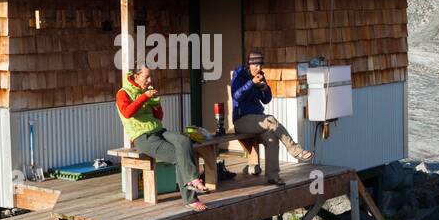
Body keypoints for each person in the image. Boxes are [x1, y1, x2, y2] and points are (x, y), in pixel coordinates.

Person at [116, 67, 208, 211]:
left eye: (150, 77)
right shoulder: (123, 93)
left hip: (159, 130)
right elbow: (127, 113)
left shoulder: (145, 91)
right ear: (135, 76)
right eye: (146, 77)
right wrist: (144, 97)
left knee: (184, 140)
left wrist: (156, 104)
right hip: (143, 137)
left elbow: (159, 117)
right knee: (179, 157)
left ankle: (193, 179)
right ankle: (191, 198)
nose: (150, 80)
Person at [230, 50, 313, 183]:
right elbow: (236, 95)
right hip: (242, 120)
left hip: (258, 119)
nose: (259, 68)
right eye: (256, 66)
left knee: (272, 138)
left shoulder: (260, 75)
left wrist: (264, 88)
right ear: (249, 65)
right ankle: (295, 149)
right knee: (271, 120)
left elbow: (266, 100)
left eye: (261, 65)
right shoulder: (238, 74)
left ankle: (272, 177)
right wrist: (251, 83)